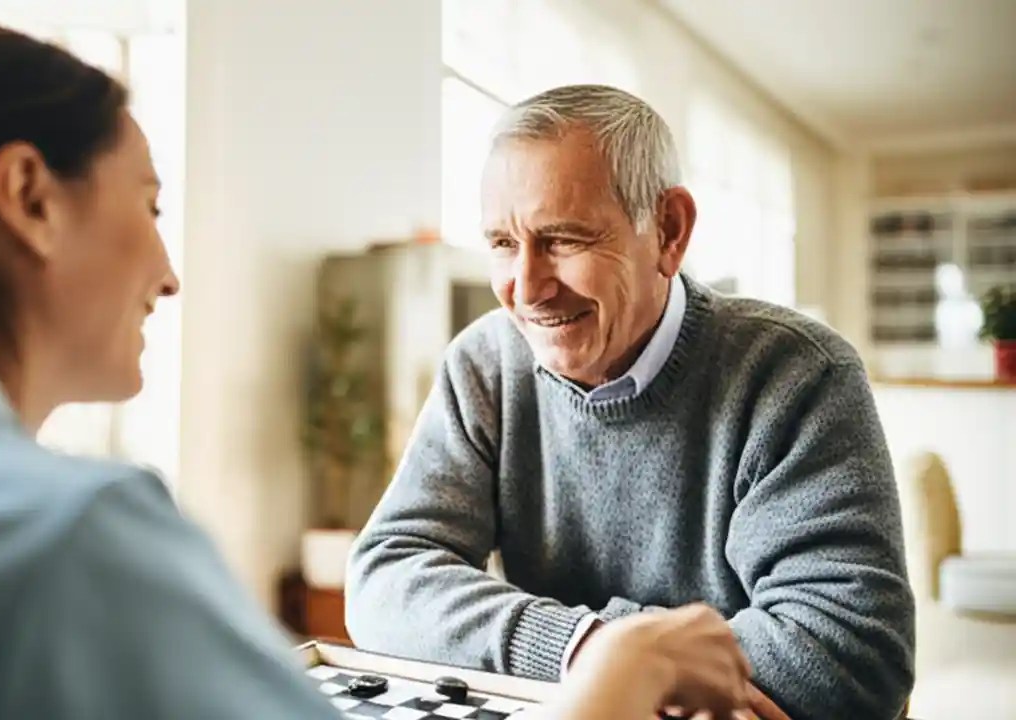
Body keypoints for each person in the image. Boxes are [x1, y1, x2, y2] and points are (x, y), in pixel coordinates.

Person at [0, 24, 753, 720]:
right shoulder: (65, 532)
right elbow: (387, 577)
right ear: (28, 197)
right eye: (147, 205)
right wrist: (612, 678)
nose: (168, 273)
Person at [345, 84, 915, 720]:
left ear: (668, 232)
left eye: (562, 239)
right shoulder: (485, 363)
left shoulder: (797, 373)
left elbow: (849, 658)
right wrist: (592, 653)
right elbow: (384, 583)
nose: (525, 289)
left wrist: (622, 670)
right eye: (503, 244)